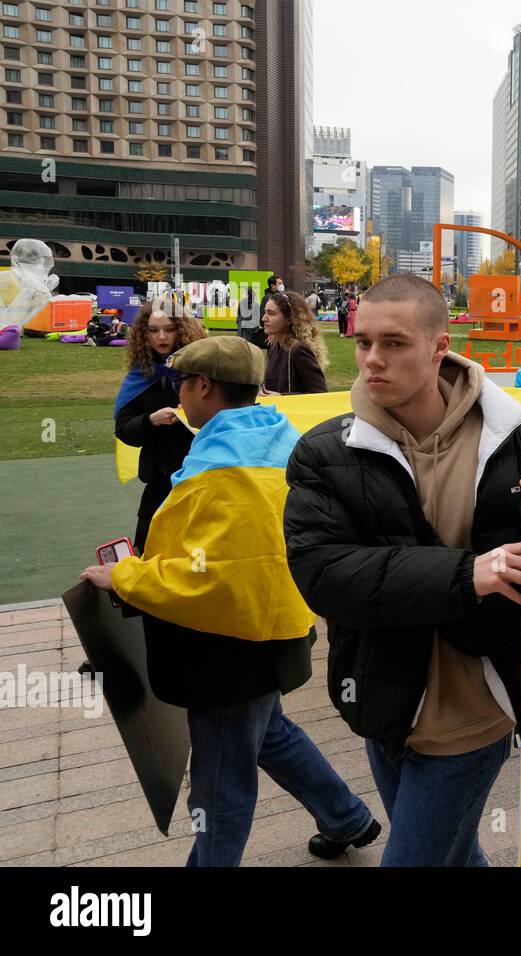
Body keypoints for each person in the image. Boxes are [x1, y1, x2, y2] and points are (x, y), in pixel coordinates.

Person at [283, 274, 521, 866]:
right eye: (363, 340)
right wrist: (467, 574)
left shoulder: (515, 437)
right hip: (386, 696)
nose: (373, 360)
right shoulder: (325, 451)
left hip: (478, 707)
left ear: (439, 347)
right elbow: (325, 576)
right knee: (454, 856)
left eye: (395, 343)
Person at [83, 336, 379, 867]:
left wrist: (125, 576)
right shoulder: (285, 443)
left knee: (219, 792)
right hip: (280, 628)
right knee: (269, 733)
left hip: (223, 648)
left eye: (179, 387)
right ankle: (347, 818)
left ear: (202, 387)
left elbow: (208, 582)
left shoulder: (218, 471)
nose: (176, 398)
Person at [114, 294, 207, 553]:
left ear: (182, 330)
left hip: (201, 479)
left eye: (169, 329)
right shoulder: (141, 374)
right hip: (160, 480)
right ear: (144, 335)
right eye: (154, 331)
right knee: (146, 552)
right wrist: (151, 420)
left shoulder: (203, 366)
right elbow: (123, 428)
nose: (162, 337)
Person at [262, 290, 328, 396]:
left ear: (289, 319)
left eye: (271, 313)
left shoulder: (298, 350)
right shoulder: (273, 348)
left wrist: (282, 397)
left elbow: (320, 394)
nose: (264, 318)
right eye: (265, 312)